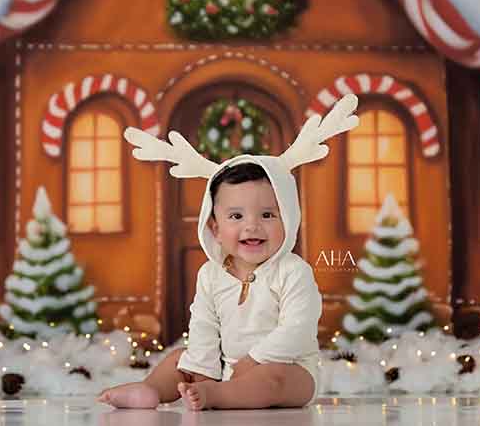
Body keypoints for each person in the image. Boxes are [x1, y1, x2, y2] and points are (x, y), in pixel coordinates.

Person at [99, 93, 358, 411]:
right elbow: (203, 325)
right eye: (236, 216)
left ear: (289, 220)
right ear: (215, 228)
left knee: (274, 380)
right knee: (181, 357)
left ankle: (218, 397)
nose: (252, 227)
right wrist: (204, 370)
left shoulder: (293, 271)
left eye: (267, 215)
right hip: (224, 366)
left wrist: (252, 361)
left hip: (287, 367)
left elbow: (297, 330)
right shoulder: (210, 274)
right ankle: (150, 389)